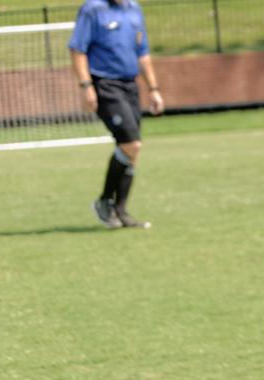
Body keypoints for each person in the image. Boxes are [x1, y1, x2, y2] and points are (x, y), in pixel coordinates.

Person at [69, 0, 161, 229]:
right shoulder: (93, 9)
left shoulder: (134, 9)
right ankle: (103, 201)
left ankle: (120, 210)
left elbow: (143, 52)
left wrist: (154, 89)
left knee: (132, 149)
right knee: (131, 143)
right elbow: (78, 49)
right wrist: (86, 86)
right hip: (105, 84)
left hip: (130, 85)